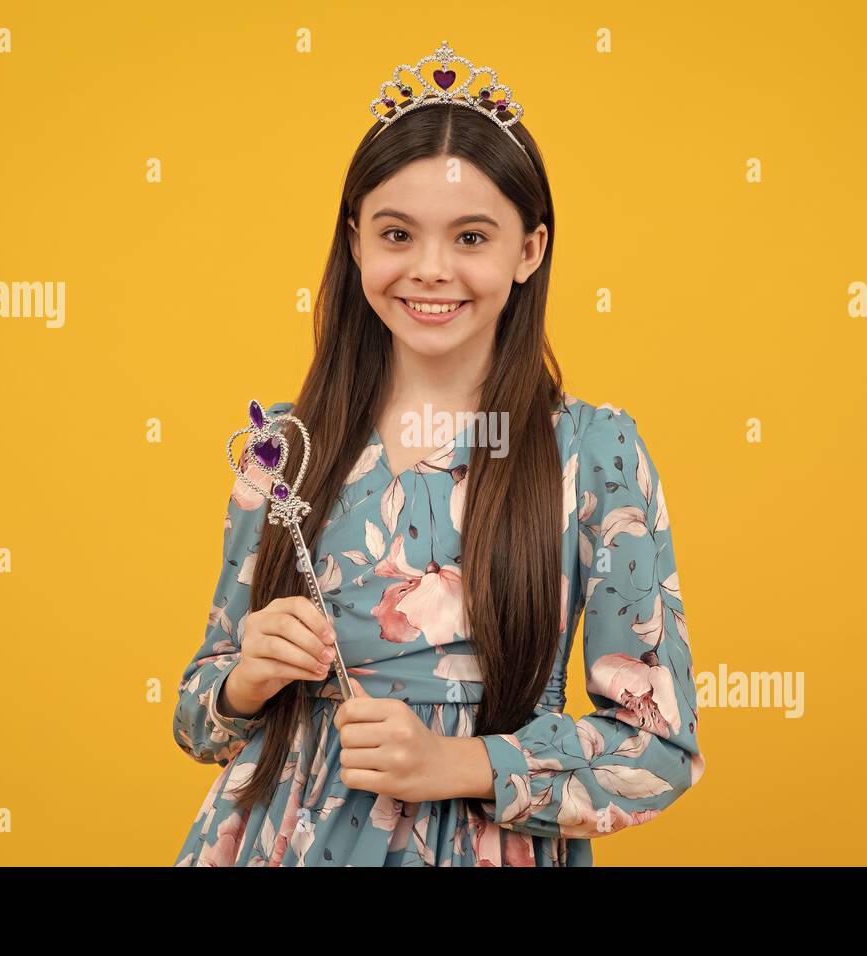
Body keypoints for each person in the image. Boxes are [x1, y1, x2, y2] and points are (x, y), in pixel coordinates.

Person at [171, 40, 705, 866]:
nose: (429, 270)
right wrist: (244, 679)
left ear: (529, 250)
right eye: (396, 234)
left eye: (470, 237)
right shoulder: (287, 450)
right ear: (355, 244)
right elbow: (197, 717)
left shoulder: (593, 454)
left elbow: (658, 748)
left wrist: (455, 763)